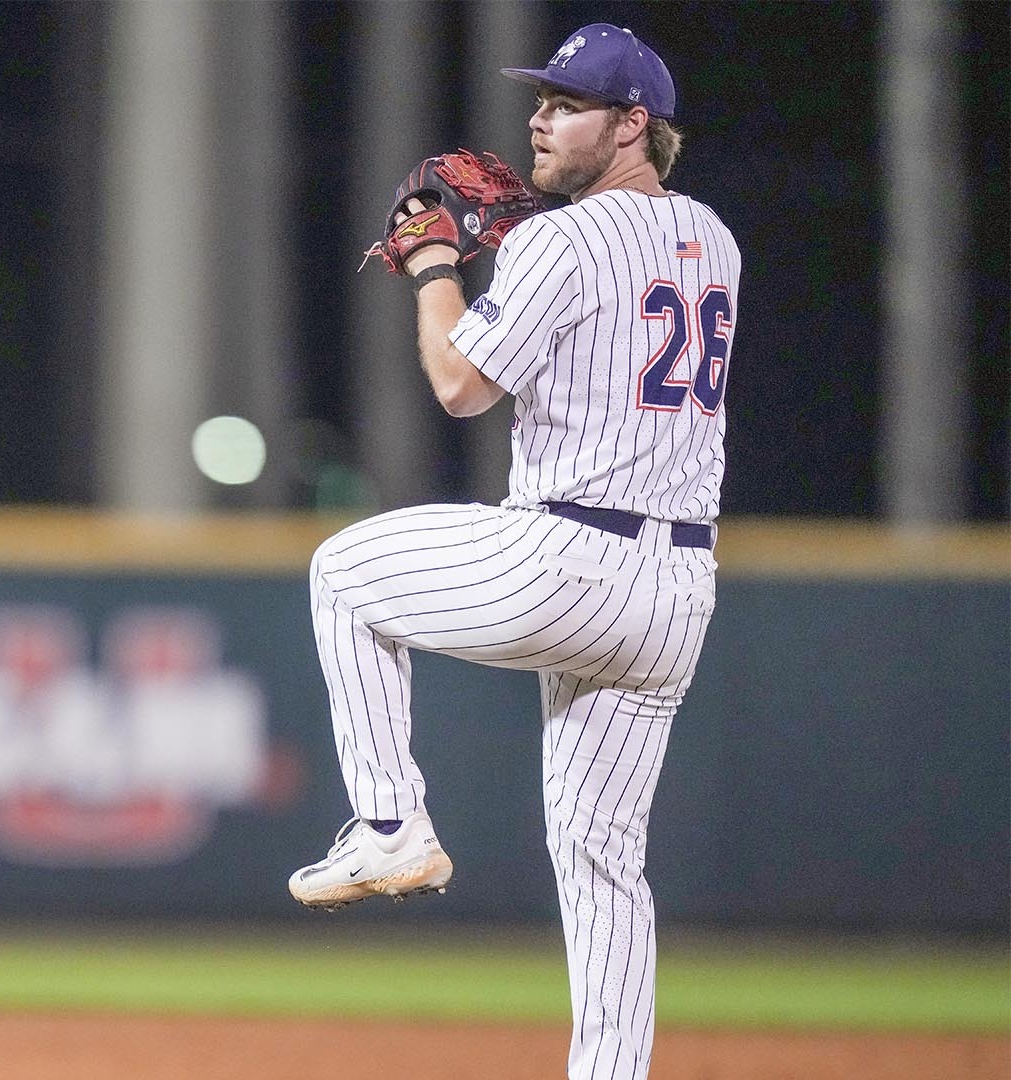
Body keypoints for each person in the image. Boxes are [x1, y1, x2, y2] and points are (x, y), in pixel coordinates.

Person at [287, 24, 739, 1080]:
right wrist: (520, 239)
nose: (540, 116)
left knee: (344, 574)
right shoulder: (715, 239)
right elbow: (606, 306)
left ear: (636, 124)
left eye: (571, 103)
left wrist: (438, 258)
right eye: (541, 98)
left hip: (571, 557)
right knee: (603, 860)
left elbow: (460, 384)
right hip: (677, 595)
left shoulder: (559, 244)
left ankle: (390, 822)